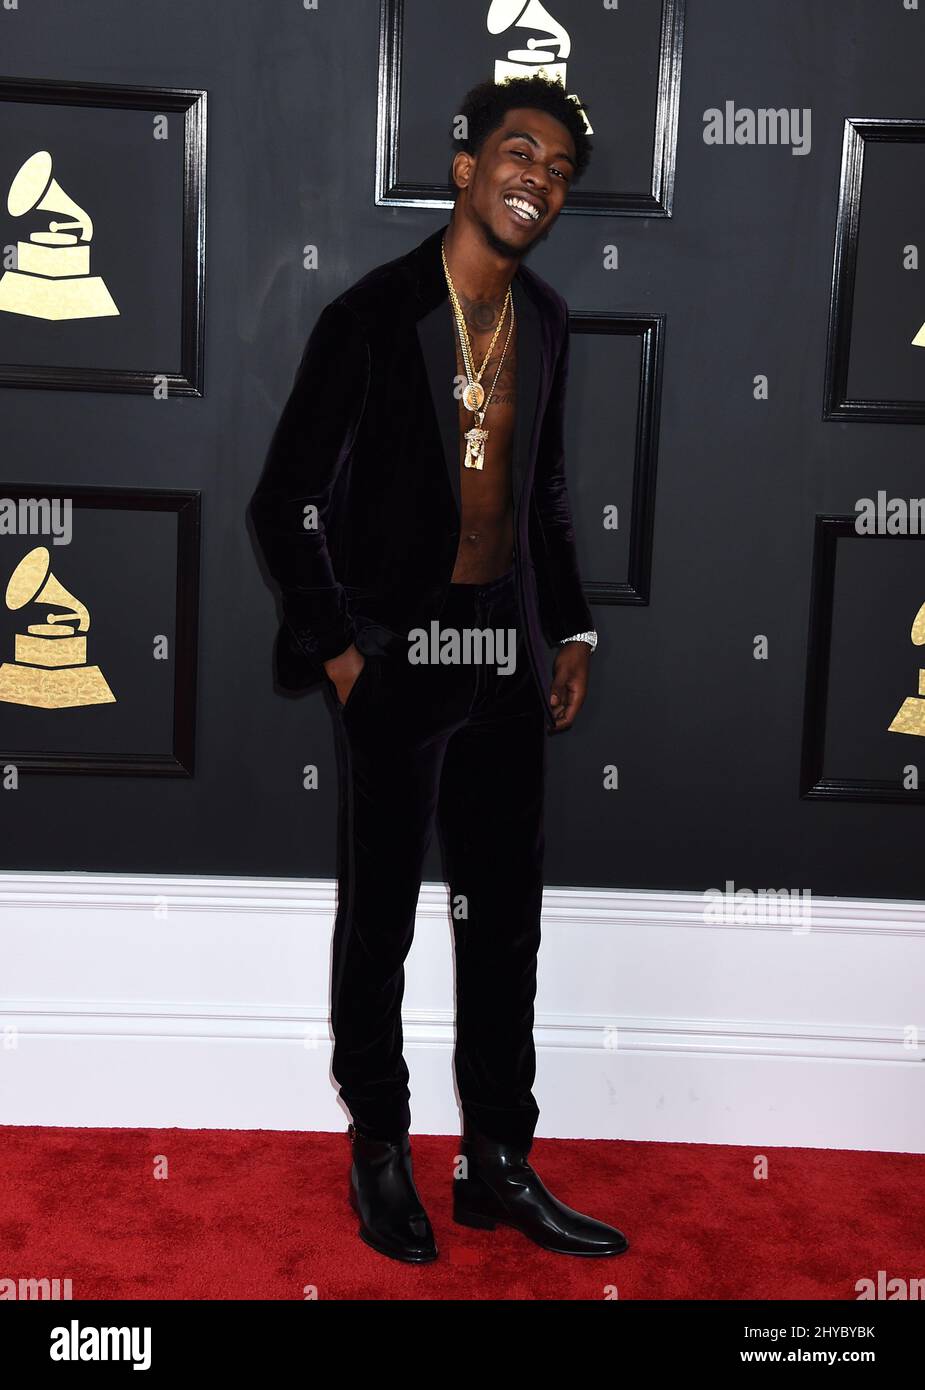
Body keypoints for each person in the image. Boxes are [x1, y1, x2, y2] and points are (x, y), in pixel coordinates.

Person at [249, 74, 628, 1263]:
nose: (541, 180)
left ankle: (496, 1165)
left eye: (561, 169)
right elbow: (281, 504)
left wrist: (569, 631)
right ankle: (380, 1145)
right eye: (521, 154)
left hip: (504, 654)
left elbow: (544, 497)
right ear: (465, 166)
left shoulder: (551, 320)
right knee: (383, 922)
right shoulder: (372, 316)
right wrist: (345, 656)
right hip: (398, 656)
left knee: (504, 920)